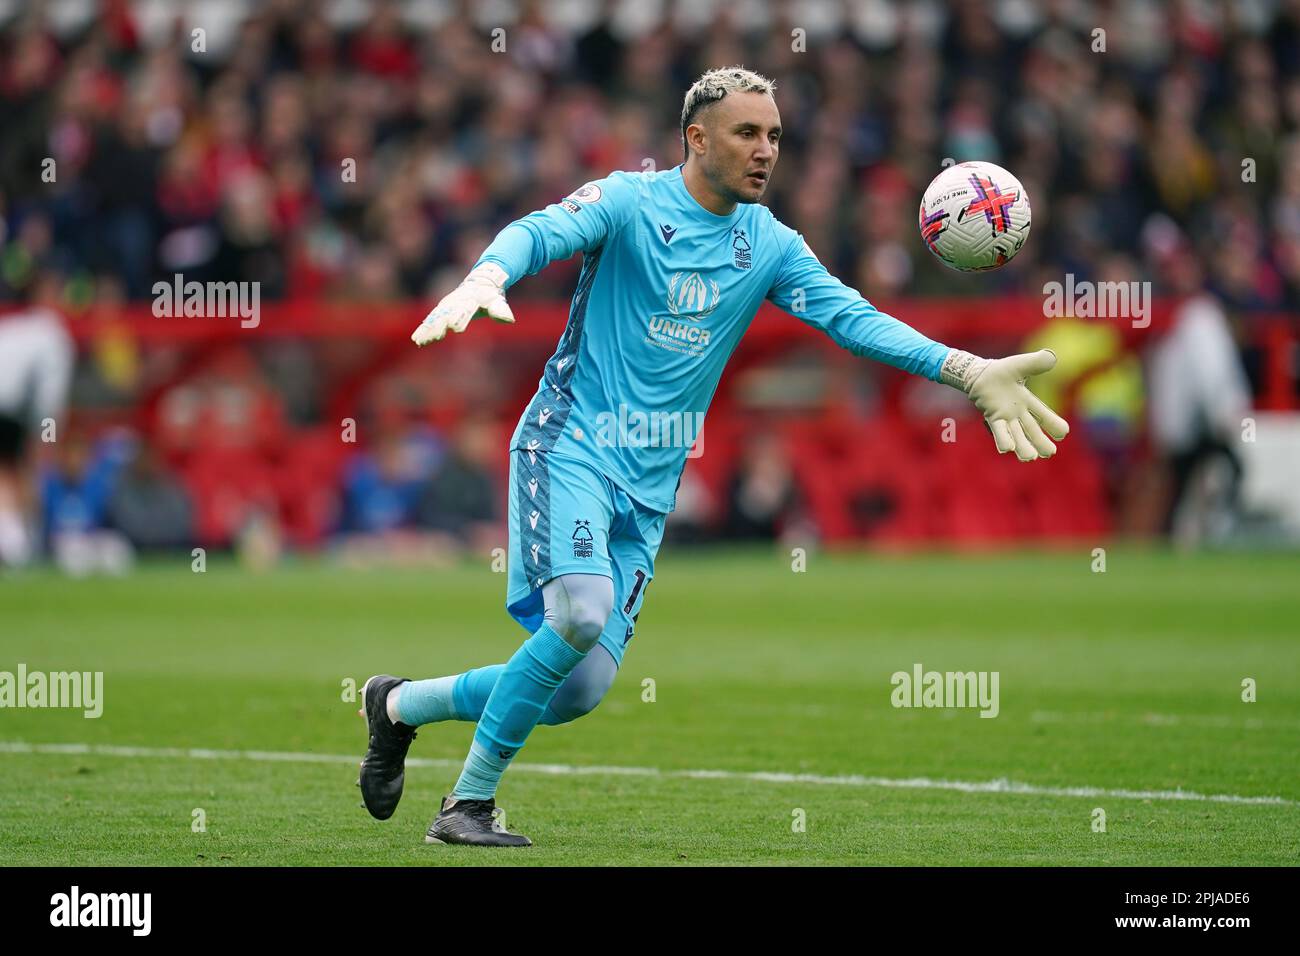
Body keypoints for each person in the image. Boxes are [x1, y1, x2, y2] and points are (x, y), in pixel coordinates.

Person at [357, 67, 1070, 847]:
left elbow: (854, 320)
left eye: (774, 137)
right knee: (581, 615)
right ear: (696, 139)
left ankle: (396, 707)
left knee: (575, 689)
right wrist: (489, 273)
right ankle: (468, 806)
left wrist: (966, 370)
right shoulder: (631, 201)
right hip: (570, 446)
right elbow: (540, 230)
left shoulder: (768, 246)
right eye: (747, 134)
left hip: (650, 488)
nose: (766, 151)